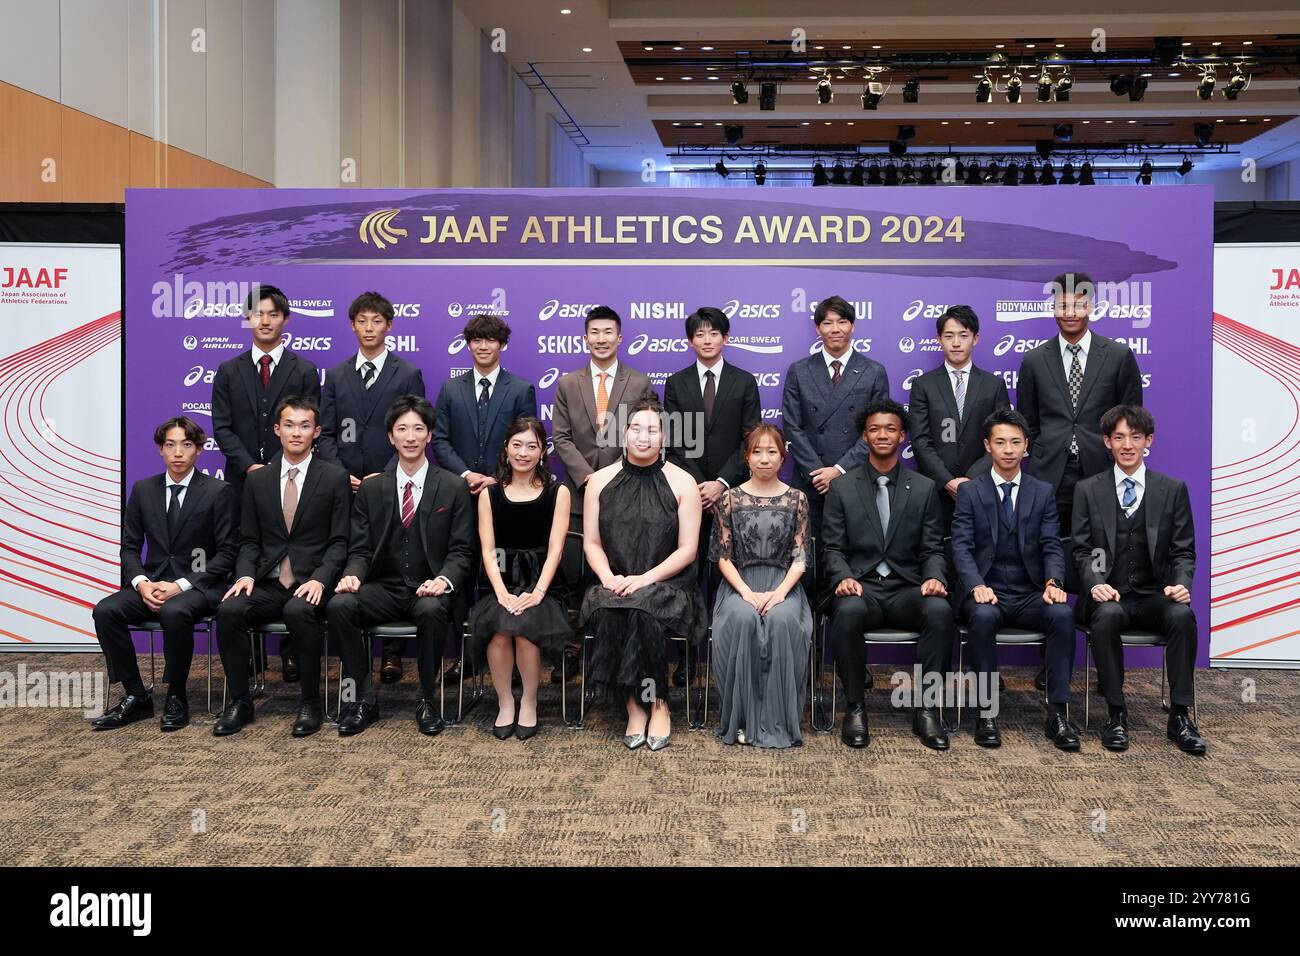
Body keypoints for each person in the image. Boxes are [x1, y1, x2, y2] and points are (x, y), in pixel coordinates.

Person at [328, 395, 475, 737]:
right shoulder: (371, 487)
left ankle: (427, 699)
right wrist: (353, 575)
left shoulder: (452, 487)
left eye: (418, 429)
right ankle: (364, 699)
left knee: (430, 610)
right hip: (386, 586)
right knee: (340, 606)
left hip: (429, 587)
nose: (410, 436)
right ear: (390, 437)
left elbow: (462, 551)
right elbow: (361, 548)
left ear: (429, 435)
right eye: (402, 429)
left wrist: (444, 580)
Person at [213, 396, 351, 738]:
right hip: (269, 579)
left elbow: (340, 542)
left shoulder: (334, 477)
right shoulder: (259, 480)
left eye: (305, 426)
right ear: (277, 430)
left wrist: (321, 579)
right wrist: (245, 573)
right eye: (289, 425)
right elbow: (248, 539)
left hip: (312, 580)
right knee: (229, 611)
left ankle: (310, 702)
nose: (296, 433)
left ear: (316, 432)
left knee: (298, 612)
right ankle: (241, 701)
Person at [1072, 405, 1205, 755]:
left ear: (1149, 441)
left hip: (1153, 594)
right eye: (1119, 437)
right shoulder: (1087, 490)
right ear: (1106, 442)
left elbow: (1184, 552)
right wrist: (1095, 582)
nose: (1127, 444)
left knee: (1181, 616)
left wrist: (1181, 583)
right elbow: (1081, 550)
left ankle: (1179, 716)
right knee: (1108, 616)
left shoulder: (1172, 489)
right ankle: (1116, 714)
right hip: (1110, 595)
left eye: (1135, 436)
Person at [822, 399, 953, 751]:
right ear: (865, 436)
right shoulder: (842, 487)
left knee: (940, 612)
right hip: (861, 588)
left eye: (891, 429)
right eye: (875, 429)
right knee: (847, 611)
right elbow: (832, 549)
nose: (883, 435)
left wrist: (935, 577)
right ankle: (855, 707)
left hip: (907, 588)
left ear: (903, 436)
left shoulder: (924, 488)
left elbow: (932, 549)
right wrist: (843, 578)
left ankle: (926, 708)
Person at [91, 417, 237, 731]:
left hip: (200, 587)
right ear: (160, 449)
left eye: (186, 445)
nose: (178, 453)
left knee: (174, 611)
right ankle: (135, 694)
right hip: (152, 583)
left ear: (199, 449)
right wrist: (142, 583)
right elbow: (129, 547)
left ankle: (175, 693)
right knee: (105, 611)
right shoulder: (144, 490)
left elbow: (227, 553)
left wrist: (181, 585)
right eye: (170, 445)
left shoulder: (218, 491)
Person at [579, 397, 704, 751]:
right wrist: (608, 577)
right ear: (623, 432)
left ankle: (659, 702)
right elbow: (591, 542)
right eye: (636, 429)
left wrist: (644, 579)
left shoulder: (683, 483)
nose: (643, 437)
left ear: (664, 436)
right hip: (612, 579)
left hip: (669, 585)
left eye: (652, 430)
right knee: (610, 608)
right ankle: (634, 705)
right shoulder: (600, 481)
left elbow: (688, 550)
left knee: (644, 610)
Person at [211, 283, 321, 682]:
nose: (265, 320)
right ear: (247, 319)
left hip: (289, 479)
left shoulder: (303, 370)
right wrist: (250, 468)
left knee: (294, 556)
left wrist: (275, 469)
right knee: (249, 559)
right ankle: (252, 659)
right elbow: (221, 427)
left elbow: (307, 427)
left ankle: (292, 655)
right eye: (258, 313)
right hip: (242, 482)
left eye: (273, 313)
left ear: (285, 319)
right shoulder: (228, 371)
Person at [950, 408, 1078, 751]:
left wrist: (1053, 583)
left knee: (1063, 615)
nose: (1008, 449)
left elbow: (1052, 544)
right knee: (983, 617)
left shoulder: (1042, 491)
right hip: (985, 591)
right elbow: (961, 547)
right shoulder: (971, 492)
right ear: (987, 446)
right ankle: (986, 712)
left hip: (1029, 592)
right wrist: (976, 585)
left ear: (1026, 447)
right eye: (1000, 442)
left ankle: (1058, 712)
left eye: (1015, 442)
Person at [317, 290, 427, 686]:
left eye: (376, 321)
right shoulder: (336, 374)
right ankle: (353, 654)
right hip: (343, 484)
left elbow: (411, 430)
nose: (369, 328)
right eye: (362, 321)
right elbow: (325, 430)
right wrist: (338, 470)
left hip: (390, 482)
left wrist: (385, 473)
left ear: (389, 326)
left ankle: (392, 655)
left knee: (392, 557)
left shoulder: (407, 372)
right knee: (348, 555)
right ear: (352, 325)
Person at [551, 305, 656, 682]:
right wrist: (588, 479)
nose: (601, 338)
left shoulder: (639, 382)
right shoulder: (568, 383)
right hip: (580, 496)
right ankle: (573, 649)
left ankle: (616, 654)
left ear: (619, 337)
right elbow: (560, 438)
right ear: (585, 337)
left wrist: (612, 479)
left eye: (608, 332)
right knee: (577, 575)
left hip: (627, 495)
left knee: (620, 573)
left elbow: (647, 435)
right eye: (594, 332)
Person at [663, 306, 761, 687]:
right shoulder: (676, 382)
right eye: (699, 334)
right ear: (691, 341)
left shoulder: (743, 381)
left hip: (732, 494)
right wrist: (697, 484)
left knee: (729, 574)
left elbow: (750, 440)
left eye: (714, 333)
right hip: (689, 495)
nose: (707, 340)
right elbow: (671, 439)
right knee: (688, 578)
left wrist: (720, 481)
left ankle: (731, 656)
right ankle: (688, 658)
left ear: (726, 337)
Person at [467, 417, 572, 740]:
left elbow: (556, 548)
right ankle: (504, 702)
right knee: (500, 630)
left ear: (543, 452)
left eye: (532, 446)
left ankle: (528, 700)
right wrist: (501, 593)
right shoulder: (490, 494)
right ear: (506, 449)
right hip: (500, 584)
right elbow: (486, 550)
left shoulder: (558, 492)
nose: (523, 453)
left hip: (545, 584)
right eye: (517, 445)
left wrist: (538, 592)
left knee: (526, 629)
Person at [1016, 272, 1143, 537]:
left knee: (1103, 544)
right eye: (1063, 305)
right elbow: (1027, 421)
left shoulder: (1118, 356)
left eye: (1078, 305)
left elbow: (1132, 419)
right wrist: (1043, 448)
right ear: (1053, 307)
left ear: (1091, 307)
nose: (1070, 312)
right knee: (1049, 546)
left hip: (1102, 468)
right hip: (1049, 473)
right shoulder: (1034, 360)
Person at [708, 425, 812, 748]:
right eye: (757, 452)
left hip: (784, 583)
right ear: (746, 457)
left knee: (782, 621)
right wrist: (746, 593)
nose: (764, 459)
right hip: (740, 584)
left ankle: (776, 722)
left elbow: (800, 556)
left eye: (771, 452)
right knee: (743, 618)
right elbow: (722, 557)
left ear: (783, 457)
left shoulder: (798, 499)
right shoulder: (729, 499)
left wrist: (780, 593)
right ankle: (741, 720)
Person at [781, 294, 889, 538]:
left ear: (853, 326)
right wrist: (819, 473)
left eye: (841, 322)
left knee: (856, 552)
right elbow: (792, 426)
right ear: (818, 328)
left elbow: (877, 430)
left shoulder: (874, 372)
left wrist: (839, 470)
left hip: (857, 477)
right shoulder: (799, 371)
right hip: (811, 481)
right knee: (808, 554)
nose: (835, 329)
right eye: (827, 323)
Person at [908, 304, 1011, 529]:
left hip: (983, 486)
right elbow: (920, 440)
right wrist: (947, 481)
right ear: (939, 340)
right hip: (936, 490)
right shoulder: (923, 385)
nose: (956, 343)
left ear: (975, 339)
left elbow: (1001, 439)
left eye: (963, 335)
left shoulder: (993, 385)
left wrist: (970, 480)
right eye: (949, 336)